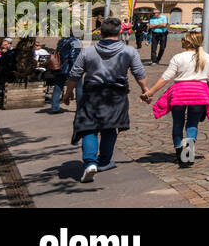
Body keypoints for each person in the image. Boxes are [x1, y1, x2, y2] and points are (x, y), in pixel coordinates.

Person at [63, 17, 150, 182]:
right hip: (116, 96)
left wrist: (68, 93)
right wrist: (145, 89)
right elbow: (139, 72)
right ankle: (104, 161)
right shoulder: (129, 51)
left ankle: (90, 162)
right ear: (120, 31)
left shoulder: (88, 51)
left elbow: (75, 74)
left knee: (89, 128)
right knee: (110, 128)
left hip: (91, 94)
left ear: (100, 32)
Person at [141, 29, 209, 165]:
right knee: (192, 124)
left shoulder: (178, 57)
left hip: (179, 93)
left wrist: (150, 92)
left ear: (186, 41)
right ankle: (188, 154)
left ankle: (179, 152)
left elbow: (166, 78)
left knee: (178, 123)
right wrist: (208, 94)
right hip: (199, 94)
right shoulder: (207, 57)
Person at [49, 32, 82, 113]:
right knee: (79, 87)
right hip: (71, 67)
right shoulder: (76, 41)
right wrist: (75, 69)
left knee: (58, 86)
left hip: (61, 67)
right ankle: (80, 108)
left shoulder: (61, 41)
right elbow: (73, 56)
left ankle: (54, 107)